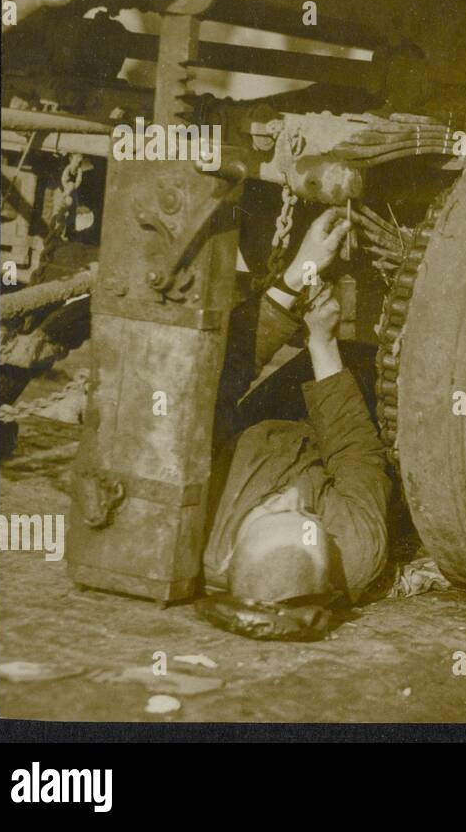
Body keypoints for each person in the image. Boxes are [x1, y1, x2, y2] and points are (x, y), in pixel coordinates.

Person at [199, 207, 392, 640]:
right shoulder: (354, 556)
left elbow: (216, 381)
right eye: (309, 519)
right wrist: (323, 344)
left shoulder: (200, 521)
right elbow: (355, 451)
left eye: (270, 512)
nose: (293, 501)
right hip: (343, 426)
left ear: (230, 554)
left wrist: (299, 272)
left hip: (263, 421)